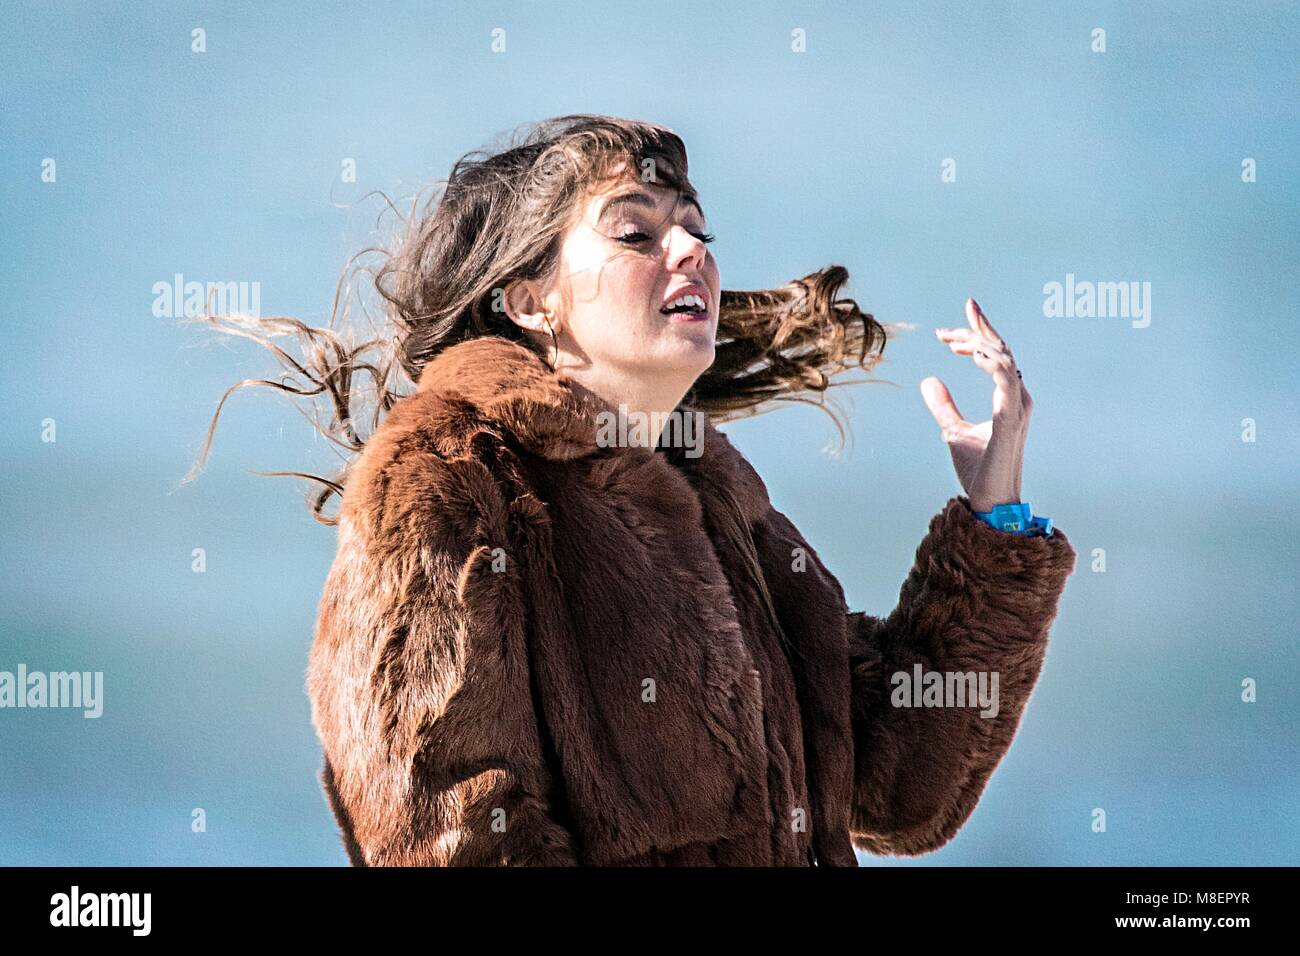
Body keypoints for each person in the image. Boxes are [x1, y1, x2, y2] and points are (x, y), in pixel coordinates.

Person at [189, 114, 1077, 866]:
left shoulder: (711, 487)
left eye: (697, 229)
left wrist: (993, 518)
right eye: (636, 233)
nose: (691, 249)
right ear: (532, 301)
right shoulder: (444, 477)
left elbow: (896, 782)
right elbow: (445, 831)